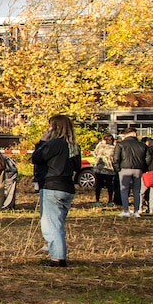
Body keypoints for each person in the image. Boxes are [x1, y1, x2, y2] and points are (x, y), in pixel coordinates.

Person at [31, 115, 81, 268]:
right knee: (58, 224)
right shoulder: (73, 146)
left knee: (51, 225)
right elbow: (77, 167)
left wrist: (41, 142)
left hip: (52, 186)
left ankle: (57, 259)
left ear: (54, 127)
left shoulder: (55, 144)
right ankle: (58, 254)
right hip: (67, 188)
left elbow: (37, 158)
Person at [112, 126, 147, 216]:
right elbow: (147, 159)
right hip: (138, 169)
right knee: (137, 191)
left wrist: (117, 170)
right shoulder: (142, 145)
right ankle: (136, 211)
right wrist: (144, 169)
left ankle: (125, 210)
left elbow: (116, 158)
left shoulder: (121, 144)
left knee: (124, 190)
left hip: (124, 168)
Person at [93, 133, 118, 207]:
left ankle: (97, 200)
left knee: (98, 185)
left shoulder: (99, 146)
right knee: (109, 185)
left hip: (99, 168)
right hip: (109, 168)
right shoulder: (113, 148)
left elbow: (95, 154)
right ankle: (110, 200)